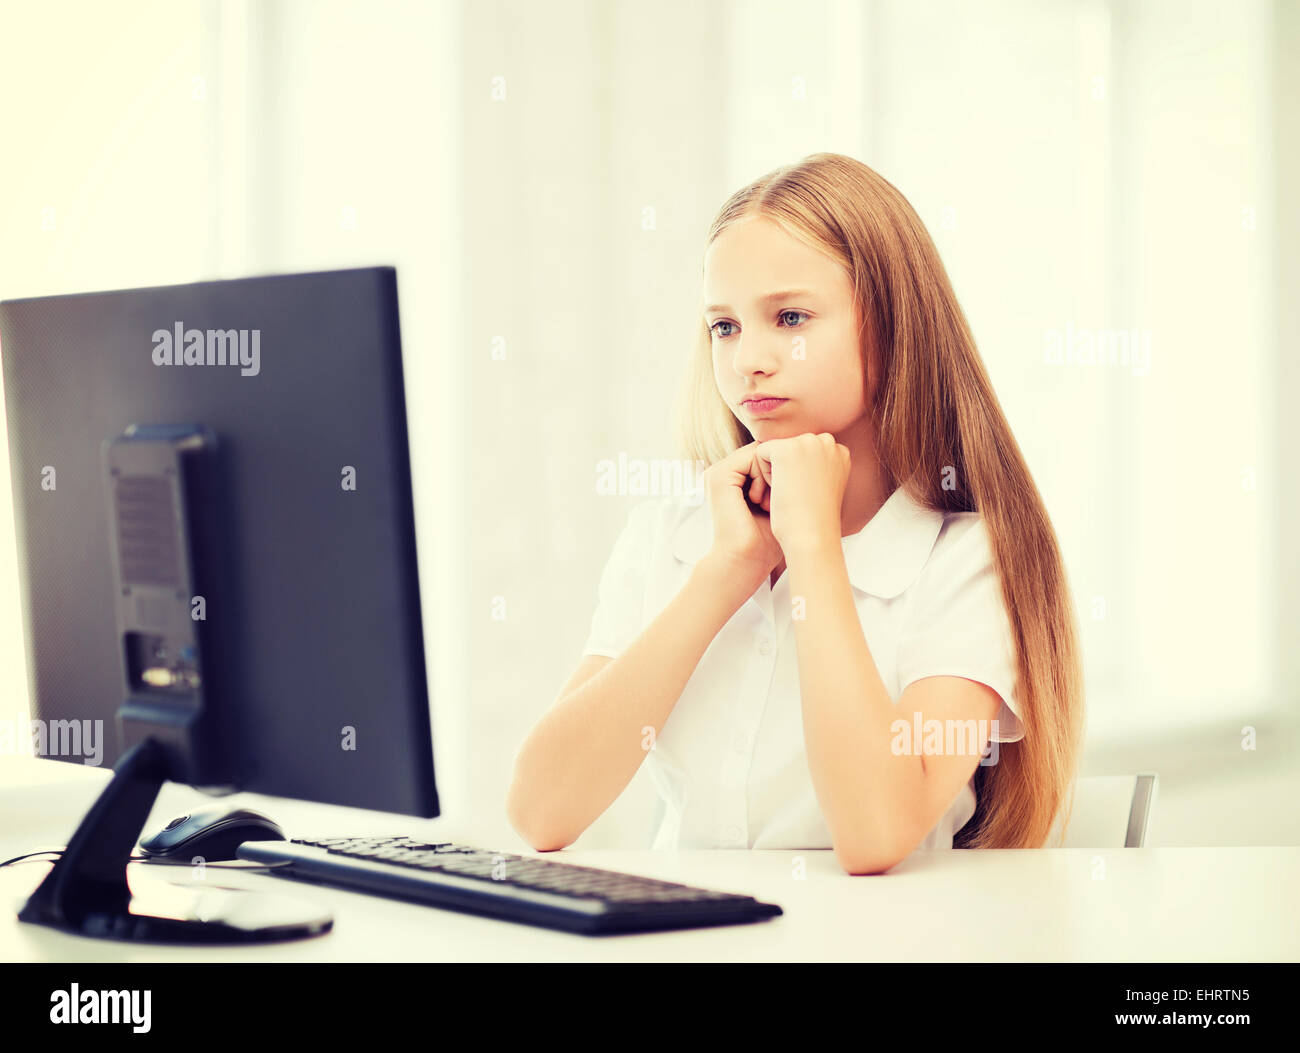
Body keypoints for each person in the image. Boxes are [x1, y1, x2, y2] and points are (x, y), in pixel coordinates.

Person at [507, 152, 1084, 874]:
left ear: (894, 324)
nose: (749, 358)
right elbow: (541, 810)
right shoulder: (670, 539)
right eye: (724, 327)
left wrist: (813, 550)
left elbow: (874, 833)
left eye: (789, 317)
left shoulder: (966, 560)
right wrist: (726, 572)